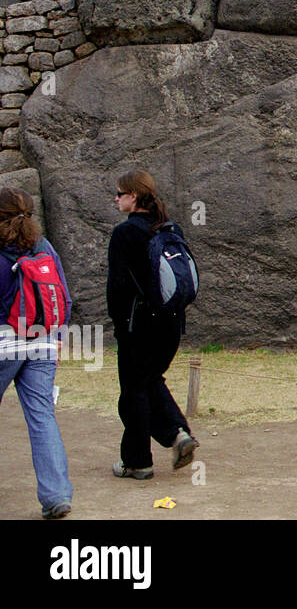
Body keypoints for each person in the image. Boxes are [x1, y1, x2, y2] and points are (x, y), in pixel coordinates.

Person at [107, 170, 197, 479]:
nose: (116, 199)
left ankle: (138, 462)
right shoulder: (171, 228)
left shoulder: (125, 233)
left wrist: (119, 323)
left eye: (120, 193)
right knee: (148, 383)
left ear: (133, 196)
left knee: (134, 392)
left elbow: (118, 286)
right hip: (171, 324)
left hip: (138, 326)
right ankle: (177, 434)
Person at [0, 186, 73, 518]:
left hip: (4, 343)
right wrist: (54, 336)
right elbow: (64, 301)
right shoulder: (44, 247)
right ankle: (57, 495)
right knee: (43, 418)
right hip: (42, 341)